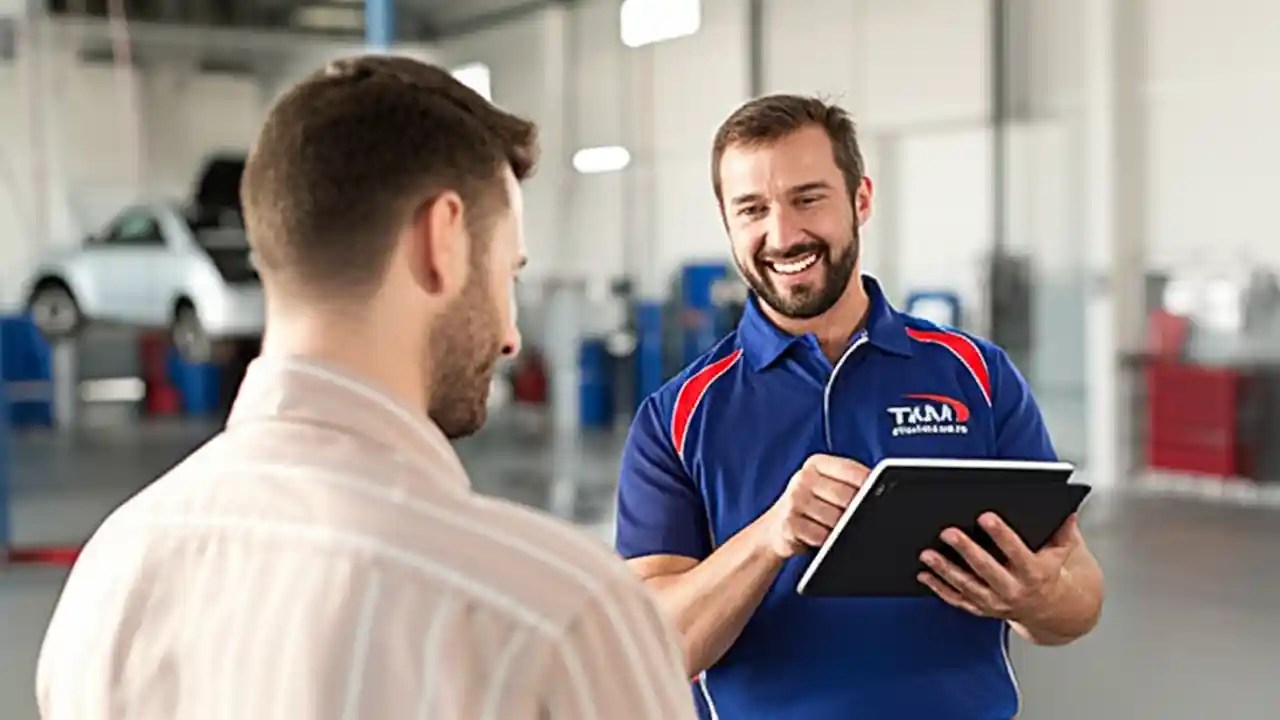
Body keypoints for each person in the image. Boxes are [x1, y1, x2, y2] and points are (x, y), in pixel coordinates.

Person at [37, 55, 695, 720]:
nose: (511, 337)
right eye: (508, 276)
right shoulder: (553, 617)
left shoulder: (112, 576)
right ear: (442, 241)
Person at [615, 94, 1105, 719]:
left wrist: (1037, 598)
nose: (783, 233)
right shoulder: (677, 416)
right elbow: (648, 648)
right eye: (752, 209)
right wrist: (770, 538)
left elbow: (1080, 598)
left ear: (861, 199)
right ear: (727, 221)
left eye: (807, 198)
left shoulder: (977, 377)